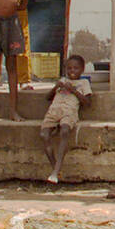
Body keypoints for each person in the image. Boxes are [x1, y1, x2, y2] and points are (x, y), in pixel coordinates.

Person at [41, 54, 92, 183]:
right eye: (69, 68)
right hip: (53, 111)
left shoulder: (84, 83)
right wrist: (55, 87)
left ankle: (56, 171)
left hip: (69, 112)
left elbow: (87, 102)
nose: (72, 71)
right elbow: (47, 98)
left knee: (64, 131)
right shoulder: (62, 80)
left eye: (75, 68)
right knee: (44, 135)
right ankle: (56, 170)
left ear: (82, 69)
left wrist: (73, 90)